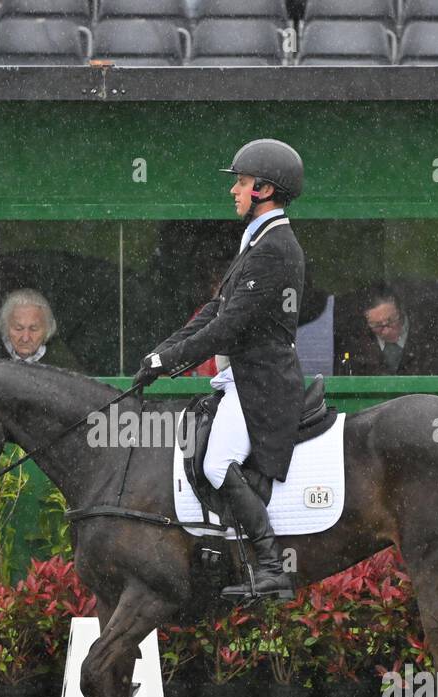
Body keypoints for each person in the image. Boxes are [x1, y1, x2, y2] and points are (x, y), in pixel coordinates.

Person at [132, 138, 307, 602]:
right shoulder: (257, 242)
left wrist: (171, 361)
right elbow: (214, 310)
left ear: (265, 190)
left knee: (214, 462)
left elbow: (230, 326)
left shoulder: (274, 247)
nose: (235, 191)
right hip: (241, 380)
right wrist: (159, 355)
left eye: (242, 183)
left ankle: (270, 565)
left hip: (261, 384)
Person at [335, 281, 438, 376]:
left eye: (391, 321)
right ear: (367, 323)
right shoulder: (358, 345)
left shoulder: (429, 336)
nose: (386, 331)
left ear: (401, 311)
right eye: (377, 325)